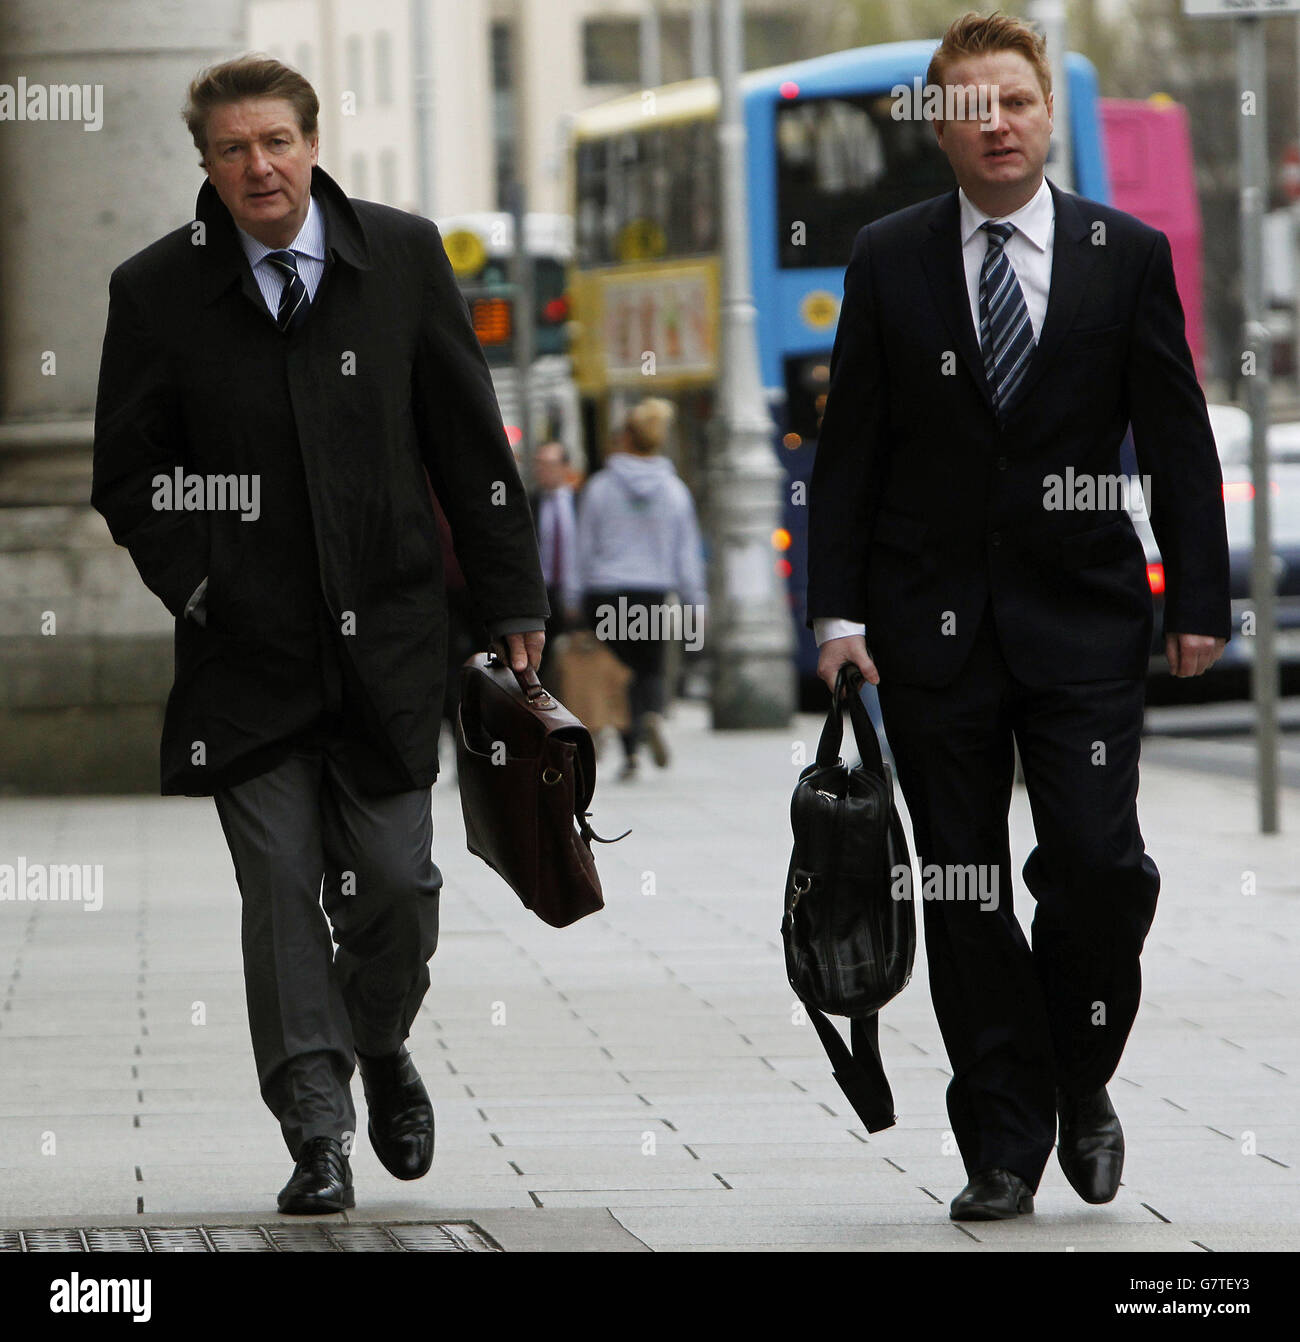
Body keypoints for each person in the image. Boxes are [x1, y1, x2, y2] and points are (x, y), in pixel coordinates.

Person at [91, 55, 549, 1215]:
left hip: (391, 644)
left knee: (396, 884)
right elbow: (129, 476)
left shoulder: (399, 257)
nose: (261, 166)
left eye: (278, 142)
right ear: (206, 163)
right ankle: (317, 1127)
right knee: (282, 885)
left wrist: (514, 603)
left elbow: (468, 445)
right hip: (247, 658)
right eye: (235, 148)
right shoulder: (156, 291)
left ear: (310, 142)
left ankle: (378, 1042)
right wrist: (196, 579)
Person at [807, 12, 1230, 1222]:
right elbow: (850, 457)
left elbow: (1178, 433)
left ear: (1047, 118)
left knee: (1098, 867)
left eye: (1016, 102)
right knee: (964, 889)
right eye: (968, 106)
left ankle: (1076, 1066)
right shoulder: (887, 258)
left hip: (1085, 622)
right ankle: (1001, 1140)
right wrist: (836, 616)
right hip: (928, 633)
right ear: (936, 126)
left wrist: (1198, 593)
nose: (994, 122)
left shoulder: (1123, 253)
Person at [574, 399, 706, 779]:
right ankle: (649, 713)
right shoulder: (674, 490)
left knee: (614, 673)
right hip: (651, 592)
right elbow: (686, 551)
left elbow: (584, 546)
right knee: (648, 670)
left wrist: (571, 595)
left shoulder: (599, 488)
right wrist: (695, 600)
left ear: (626, 438)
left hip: (605, 592)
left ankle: (628, 753)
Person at [528, 438, 579, 684]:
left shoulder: (580, 502)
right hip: (541, 594)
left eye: (549, 464)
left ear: (565, 467)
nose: (543, 470)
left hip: (574, 594)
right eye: (539, 464)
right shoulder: (530, 504)